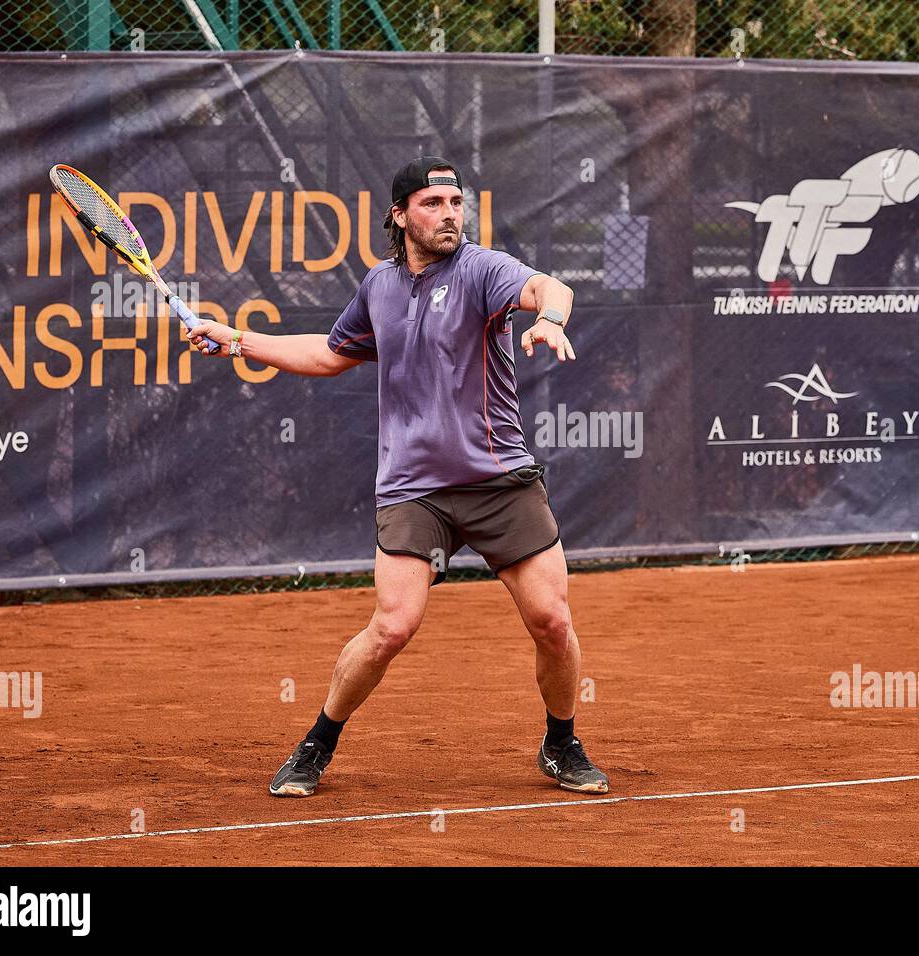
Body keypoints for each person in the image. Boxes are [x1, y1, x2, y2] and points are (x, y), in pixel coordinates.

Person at [186, 156, 609, 796]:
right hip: (413, 487)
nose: (448, 215)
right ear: (400, 214)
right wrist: (239, 339)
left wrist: (549, 318)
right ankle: (315, 745)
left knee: (551, 621)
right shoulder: (379, 286)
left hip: (499, 480)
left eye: (456, 203)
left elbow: (550, 289)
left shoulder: (482, 270)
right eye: (433, 203)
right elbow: (329, 355)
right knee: (393, 625)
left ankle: (561, 741)